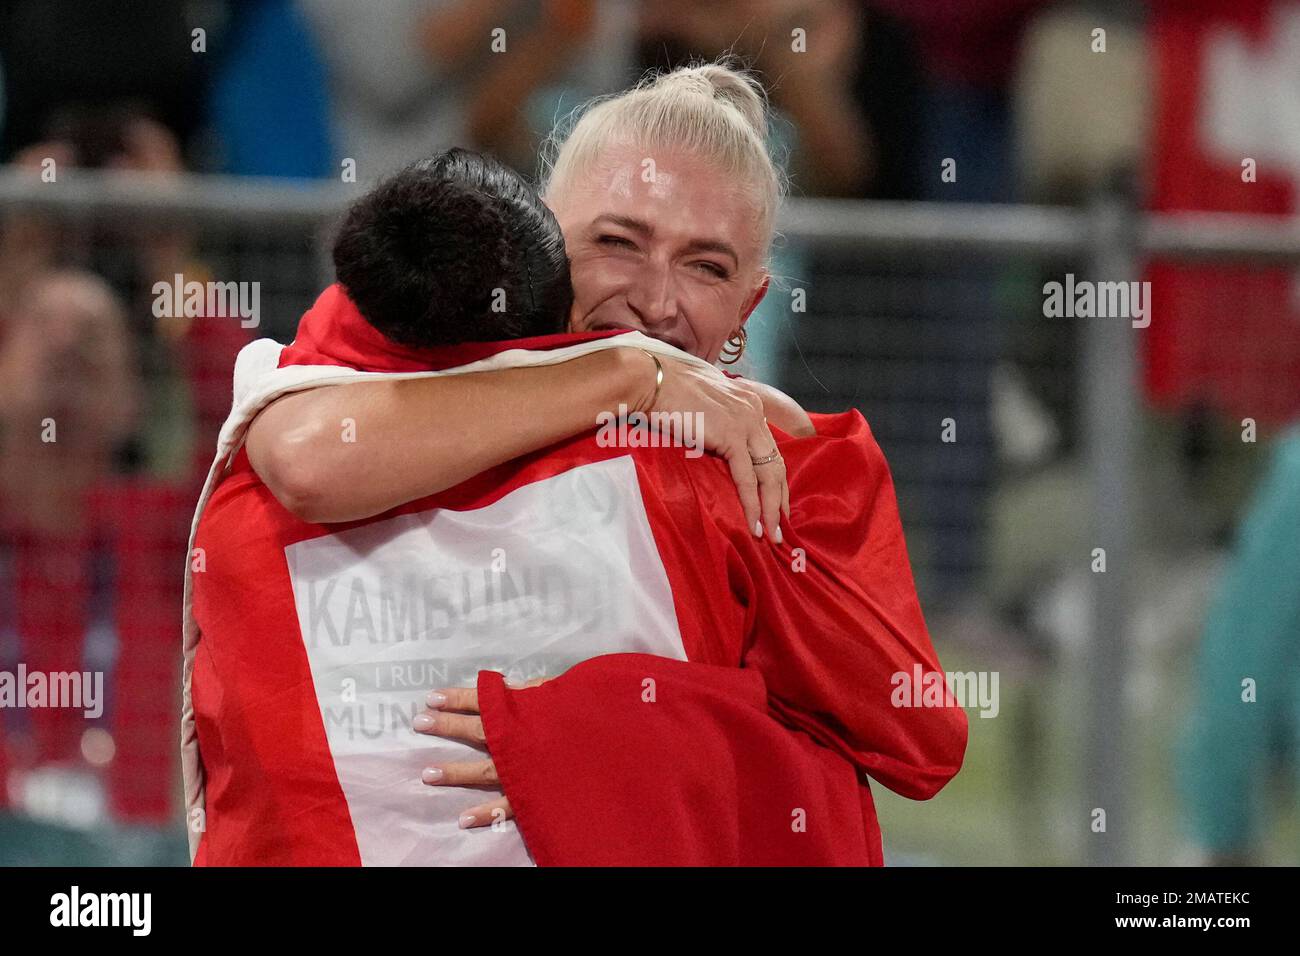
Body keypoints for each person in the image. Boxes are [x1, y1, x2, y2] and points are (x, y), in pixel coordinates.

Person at [184, 147, 966, 865]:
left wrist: (604, 730)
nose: (655, 302)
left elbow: (918, 734)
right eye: (618, 244)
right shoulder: (309, 420)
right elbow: (309, 455)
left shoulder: (752, 469)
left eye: (707, 266)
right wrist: (628, 374)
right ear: (540, 244)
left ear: (749, 307)